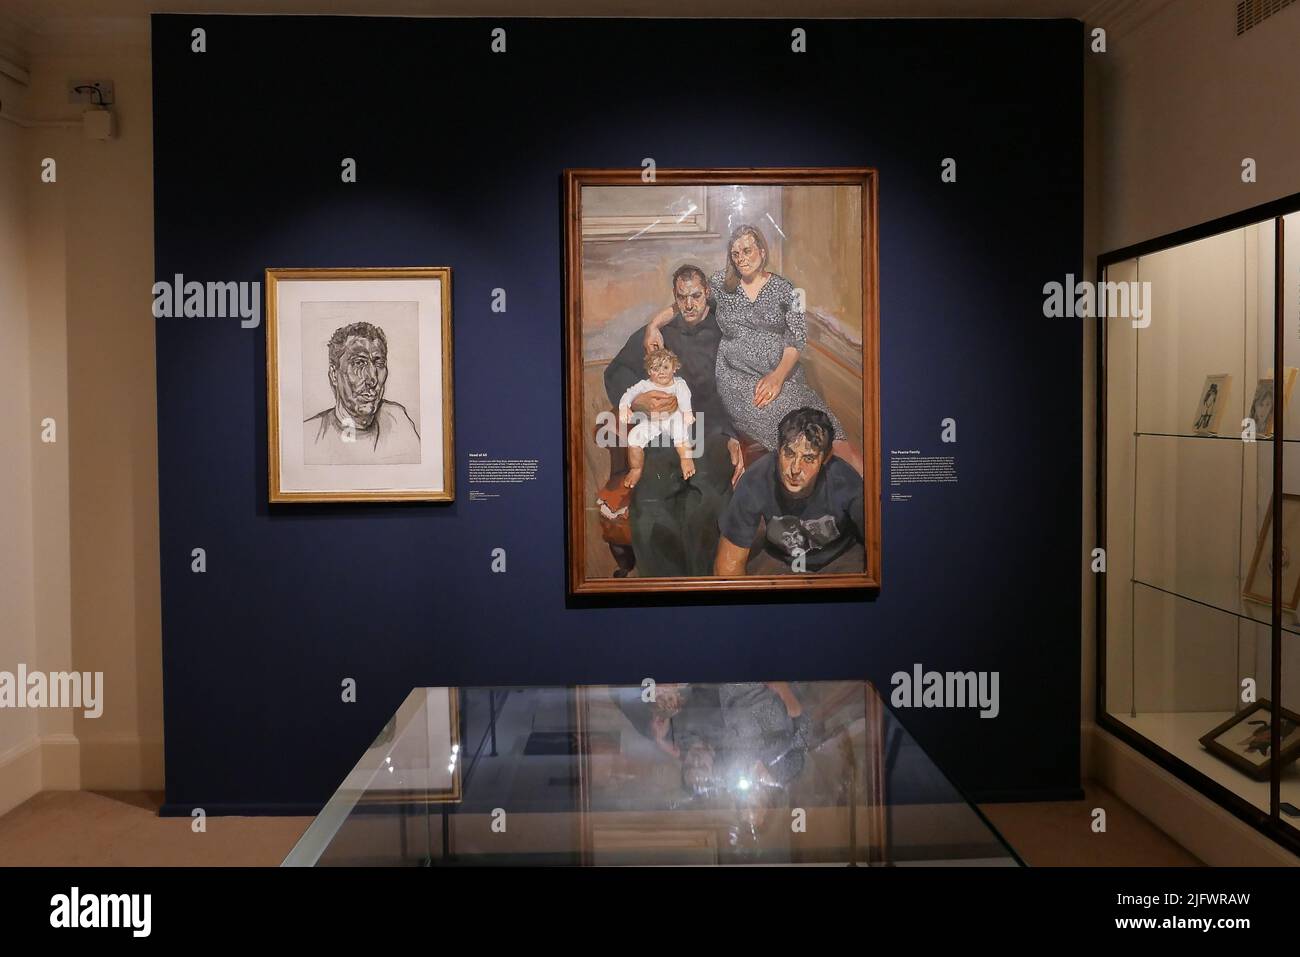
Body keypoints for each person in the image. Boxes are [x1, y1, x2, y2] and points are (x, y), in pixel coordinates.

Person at [645, 224, 863, 475]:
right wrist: (653, 325)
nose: (741, 259)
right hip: (737, 379)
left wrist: (778, 377)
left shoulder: (786, 289)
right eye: (735, 254)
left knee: (827, 428)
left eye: (747, 251)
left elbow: (796, 339)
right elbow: (686, 300)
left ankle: (867, 495)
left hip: (783, 376)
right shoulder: (721, 285)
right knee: (795, 430)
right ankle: (813, 485)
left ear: (762, 250)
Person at [604, 265, 746, 576]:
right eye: (682, 298)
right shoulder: (658, 335)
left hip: (712, 429)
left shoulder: (726, 328)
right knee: (653, 498)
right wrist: (639, 402)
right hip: (662, 431)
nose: (690, 305)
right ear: (675, 299)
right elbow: (614, 373)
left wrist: (734, 434)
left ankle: (702, 583)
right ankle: (664, 585)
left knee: (707, 495)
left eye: (696, 295)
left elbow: (741, 388)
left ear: (707, 292)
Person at [715, 407, 865, 576]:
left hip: (840, 559)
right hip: (781, 561)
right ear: (778, 449)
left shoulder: (846, 481)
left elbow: (879, 548)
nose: (795, 469)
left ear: (825, 458)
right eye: (789, 453)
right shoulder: (756, 478)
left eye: (808, 458)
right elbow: (728, 565)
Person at [304, 321, 420, 464]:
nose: (372, 378)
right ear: (334, 374)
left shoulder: (397, 420)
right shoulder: (309, 436)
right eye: (359, 363)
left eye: (379, 363)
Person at [618, 348, 695, 488]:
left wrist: (687, 411)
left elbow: (685, 396)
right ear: (649, 372)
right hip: (652, 421)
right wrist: (624, 407)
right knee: (633, 437)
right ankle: (636, 469)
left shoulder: (679, 384)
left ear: (674, 368)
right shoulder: (645, 385)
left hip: (673, 417)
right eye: (655, 368)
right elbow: (629, 393)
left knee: (681, 433)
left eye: (666, 367)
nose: (661, 372)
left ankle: (686, 459)